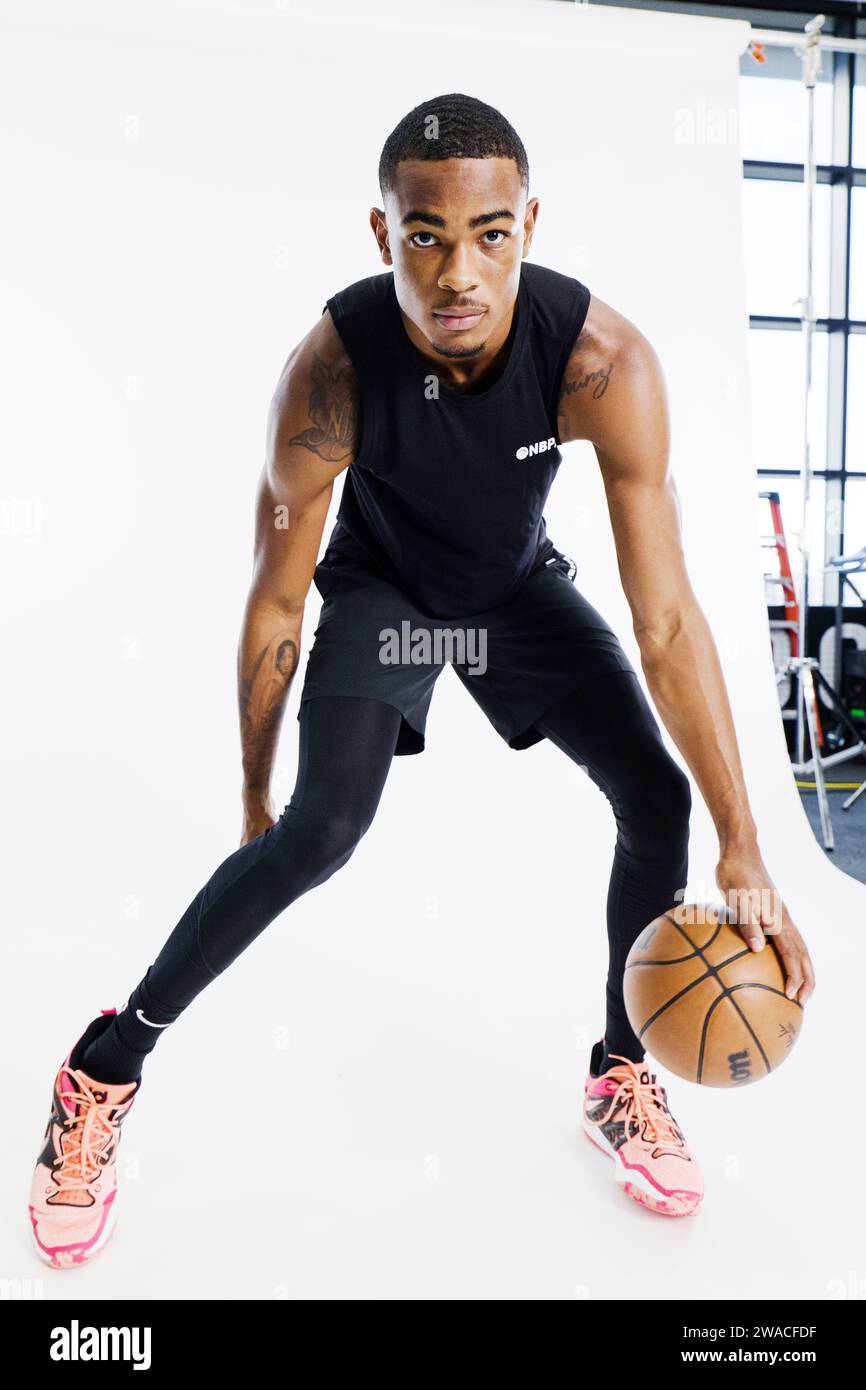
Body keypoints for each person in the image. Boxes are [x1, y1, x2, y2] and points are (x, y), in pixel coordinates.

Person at [28, 93, 815, 1267]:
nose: (458, 271)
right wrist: (260, 800)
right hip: (388, 599)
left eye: (490, 233)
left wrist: (743, 842)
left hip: (507, 601)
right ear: (380, 231)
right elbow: (277, 598)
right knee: (324, 828)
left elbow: (663, 618)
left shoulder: (603, 362)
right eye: (425, 235)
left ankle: (617, 1073)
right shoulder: (332, 372)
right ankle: (103, 1066)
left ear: (529, 224)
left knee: (656, 799)